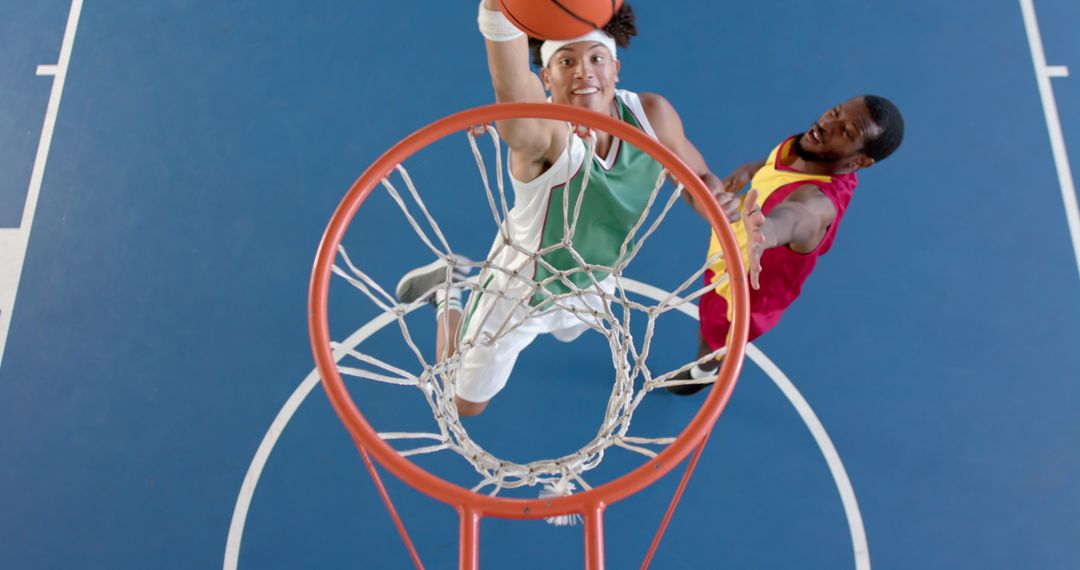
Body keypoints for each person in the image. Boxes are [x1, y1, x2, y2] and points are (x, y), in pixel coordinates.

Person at [395, 1, 742, 416]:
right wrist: (496, 11)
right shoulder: (544, 136)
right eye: (566, 61)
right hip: (521, 287)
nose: (584, 71)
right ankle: (448, 290)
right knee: (463, 405)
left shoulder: (652, 117)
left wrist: (719, 204)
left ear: (616, 69)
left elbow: (697, 179)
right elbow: (510, 90)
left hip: (594, 281)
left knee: (569, 333)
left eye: (596, 58)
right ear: (546, 77)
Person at [668, 95, 905, 394]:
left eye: (846, 131)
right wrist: (750, 170)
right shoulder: (810, 145)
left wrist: (765, 229)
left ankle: (706, 369)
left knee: (715, 335)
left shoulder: (818, 204)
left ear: (859, 161)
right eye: (835, 112)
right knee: (708, 316)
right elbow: (774, 166)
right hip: (729, 251)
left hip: (747, 289)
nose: (828, 124)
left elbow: (795, 218)